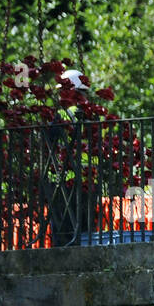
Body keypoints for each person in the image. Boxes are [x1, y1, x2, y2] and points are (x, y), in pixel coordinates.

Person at [42, 69, 98, 247]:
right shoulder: (93, 114)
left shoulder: (65, 113)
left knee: (64, 232)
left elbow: (49, 140)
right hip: (88, 180)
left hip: (66, 182)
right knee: (86, 229)